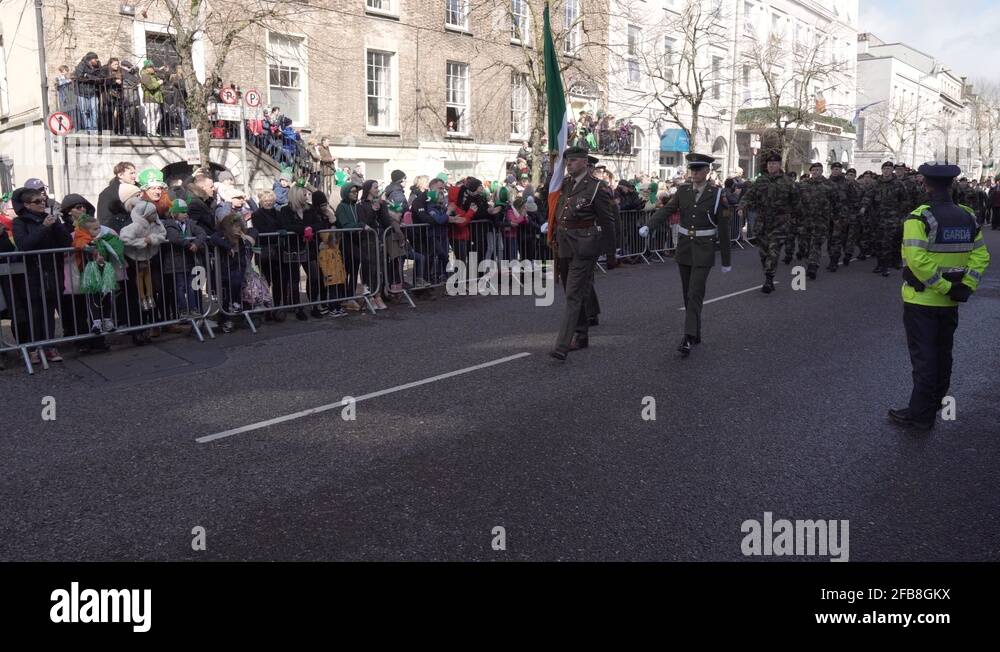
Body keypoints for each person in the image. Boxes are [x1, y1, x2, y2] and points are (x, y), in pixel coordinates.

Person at [889, 162, 990, 430]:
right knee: (943, 355)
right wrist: (964, 286)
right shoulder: (968, 216)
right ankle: (932, 406)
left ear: (925, 185)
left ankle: (920, 415)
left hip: (921, 301)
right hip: (951, 303)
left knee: (924, 358)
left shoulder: (919, 218)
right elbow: (981, 256)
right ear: (952, 185)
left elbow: (917, 260)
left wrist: (944, 286)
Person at [641, 153, 731, 356]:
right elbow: (666, 210)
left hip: (704, 248)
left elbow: (723, 228)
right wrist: (650, 226)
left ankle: (688, 337)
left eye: (699, 169)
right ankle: (696, 332)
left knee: (694, 293)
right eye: (693, 169)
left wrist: (726, 259)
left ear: (707, 171)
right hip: (684, 248)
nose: (695, 173)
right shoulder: (683, 191)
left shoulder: (717, 194)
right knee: (687, 294)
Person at [547, 147, 614, 360]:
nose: (569, 164)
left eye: (574, 160)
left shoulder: (597, 187)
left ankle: (563, 345)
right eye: (567, 161)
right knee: (573, 289)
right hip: (565, 245)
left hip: (585, 245)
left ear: (585, 162)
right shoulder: (564, 184)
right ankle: (583, 334)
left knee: (573, 294)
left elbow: (607, 221)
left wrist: (611, 253)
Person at [10, 187, 73, 364]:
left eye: (43, 201)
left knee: (49, 310)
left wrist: (57, 224)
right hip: (32, 274)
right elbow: (24, 245)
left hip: (52, 271)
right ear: (26, 205)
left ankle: (49, 346)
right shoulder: (19, 222)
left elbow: (66, 242)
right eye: (37, 202)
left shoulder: (50, 219)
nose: (42, 204)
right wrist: (44, 227)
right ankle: (33, 349)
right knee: (34, 312)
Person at [738, 151, 799, 293]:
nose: (771, 166)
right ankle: (768, 273)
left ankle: (769, 280)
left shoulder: (787, 182)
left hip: (780, 223)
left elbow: (796, 202)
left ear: (779, 165)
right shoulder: (761, 181)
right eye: (769, 163)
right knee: (764, 253)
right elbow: (749, 195)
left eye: (774, 163)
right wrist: (742, 206)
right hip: (762, 222)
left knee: (773, 251)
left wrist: (795, 221)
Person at [119, 199, 167, 345]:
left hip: (148, 261)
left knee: (149, 293)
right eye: (152, 213)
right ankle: (137, 332)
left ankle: (147, 329)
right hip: (134, 264)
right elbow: (124, 239)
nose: (155, 215)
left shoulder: (156, 224)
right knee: (136, 298)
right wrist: (142, 242)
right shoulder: (134, 226)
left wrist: (152, 239)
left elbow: (162, 235)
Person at [161, 199, 207, 321]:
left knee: (191, 286)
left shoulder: (190, 223)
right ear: (174, 213)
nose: (185, 214)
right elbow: (174, 238)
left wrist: (196, 243)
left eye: (186, 212)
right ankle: (182, 310)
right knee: (179, 287)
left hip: (188, 262)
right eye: (182, 212)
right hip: (174, 263)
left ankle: (193, 309)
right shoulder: (169, 224)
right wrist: (189, 244)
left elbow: (202, 233)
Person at [861, 161, 908, 276]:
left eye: (889, 168)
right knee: (878, 242)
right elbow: (868, 196)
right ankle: (880, 264)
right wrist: (863, 207)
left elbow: (905, 200)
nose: (886, 171)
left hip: (892, 218)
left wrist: (901, 215)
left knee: (888, 242)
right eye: (884, 169)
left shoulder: (898, 184)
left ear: (892, 170)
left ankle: (886, 266)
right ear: (882, 170)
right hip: (877, 218)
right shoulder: (876, 183)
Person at [797, 162, 833, 280]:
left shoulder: (829, 185)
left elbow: (836, 201)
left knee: (816, 244)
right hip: (805, 219)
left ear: (822, 171)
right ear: (810, 172)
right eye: (814, 170)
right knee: (804, 244)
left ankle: (813, 266)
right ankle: (809, 261)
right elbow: (795, 199)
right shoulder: (803, 184)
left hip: (821, 220)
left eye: (818, 170)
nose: (816, 172)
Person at [96, 162, 137, 232]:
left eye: (134, 173)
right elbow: (104, 220)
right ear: (120, 175)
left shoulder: (138, 188)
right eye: (131, 173)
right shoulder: (107, 193)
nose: (134, 176)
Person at [73, 52, 103, 132]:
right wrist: (89, 77)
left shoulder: (98, 65)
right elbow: (79, 76)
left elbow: (100, 77)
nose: (97, 60)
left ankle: (94, 127)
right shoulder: (82, 65)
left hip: (93, 91)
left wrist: (87, 75)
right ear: (90, 59)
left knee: (94, 110)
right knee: (84, 111)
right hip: (82, 92)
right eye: (95, 58)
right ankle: (88, 127)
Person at [139, 60, 165, 136]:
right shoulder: (145, 75)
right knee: (152, 115)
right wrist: (159, 83)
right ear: (147, 68)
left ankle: (152, 130)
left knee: (159, 116)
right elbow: (150, 86)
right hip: (150, 98)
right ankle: (150, 131)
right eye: (151, 67)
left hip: (156, 98)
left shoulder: (153, 75)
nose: (153, 68)